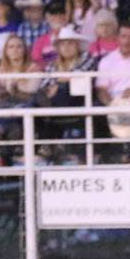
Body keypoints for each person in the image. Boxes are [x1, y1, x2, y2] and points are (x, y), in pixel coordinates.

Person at [40, 24, 96, 160]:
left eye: (70, 43)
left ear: (77, 45)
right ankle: (45, 148)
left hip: (78, 101)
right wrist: (60, 83)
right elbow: (44, 86)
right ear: (58, 48)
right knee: (39, 100)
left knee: (62, 90)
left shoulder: (87, 58)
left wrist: (58, 83)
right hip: (55, 104)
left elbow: (81, 73)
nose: (66, 47)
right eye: (62, 44)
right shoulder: (52, 66)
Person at [0, 34, 44, 156]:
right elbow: (0, 93)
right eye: (11, 47)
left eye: (18, 47)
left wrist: (11, 88)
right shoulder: (0, 70)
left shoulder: (33, 68)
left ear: (24, 50)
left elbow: (31, 90)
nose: (15, 50)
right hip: (6, 105)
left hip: (26, 104)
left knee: (17, 110)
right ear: (6, 51)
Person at [30, 1, 68, 66]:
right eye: (53, 14)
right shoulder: (41, 40)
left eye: (61, 13)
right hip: (48, 74)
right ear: (47, 17)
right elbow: (36, 60)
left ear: (65, 16)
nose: (58, 16)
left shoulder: (75, 36)